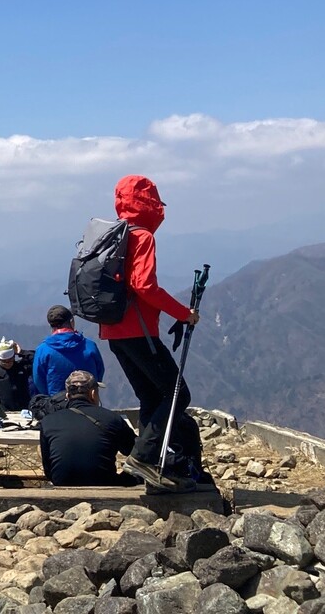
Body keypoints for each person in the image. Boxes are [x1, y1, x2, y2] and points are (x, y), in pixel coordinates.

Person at [98, 174, 205, 491]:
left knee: (150, 396)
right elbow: (144, 285)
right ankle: (143, 458)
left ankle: (149, 464)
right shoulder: (142, 236)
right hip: (139, 331)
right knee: (177, 395)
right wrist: (184, 314)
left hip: (112, 332)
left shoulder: (113, 236)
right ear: (150, 204)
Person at [37, 370, 138, 485]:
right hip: (104, 484)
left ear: (67, 395)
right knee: (139, 472)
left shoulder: (48, 421)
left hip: (63, 484)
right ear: (93, 393)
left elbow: (48, 470)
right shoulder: (112, 418)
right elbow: (135, 451)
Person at [32, 304, 105, 397]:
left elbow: (38, 380)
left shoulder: (43, 350)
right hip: (88, 400)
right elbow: (99, 371)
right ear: (72, 321)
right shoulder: (89, 345)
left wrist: (51, 397)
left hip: (57, 403)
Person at [0, 337, 33, 412]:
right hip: (6, 412)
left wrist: (21, 352)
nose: (8, 364)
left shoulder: (22, 367)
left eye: (10, 360)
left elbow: (36, 359)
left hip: (26, 410)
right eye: (4, 361)